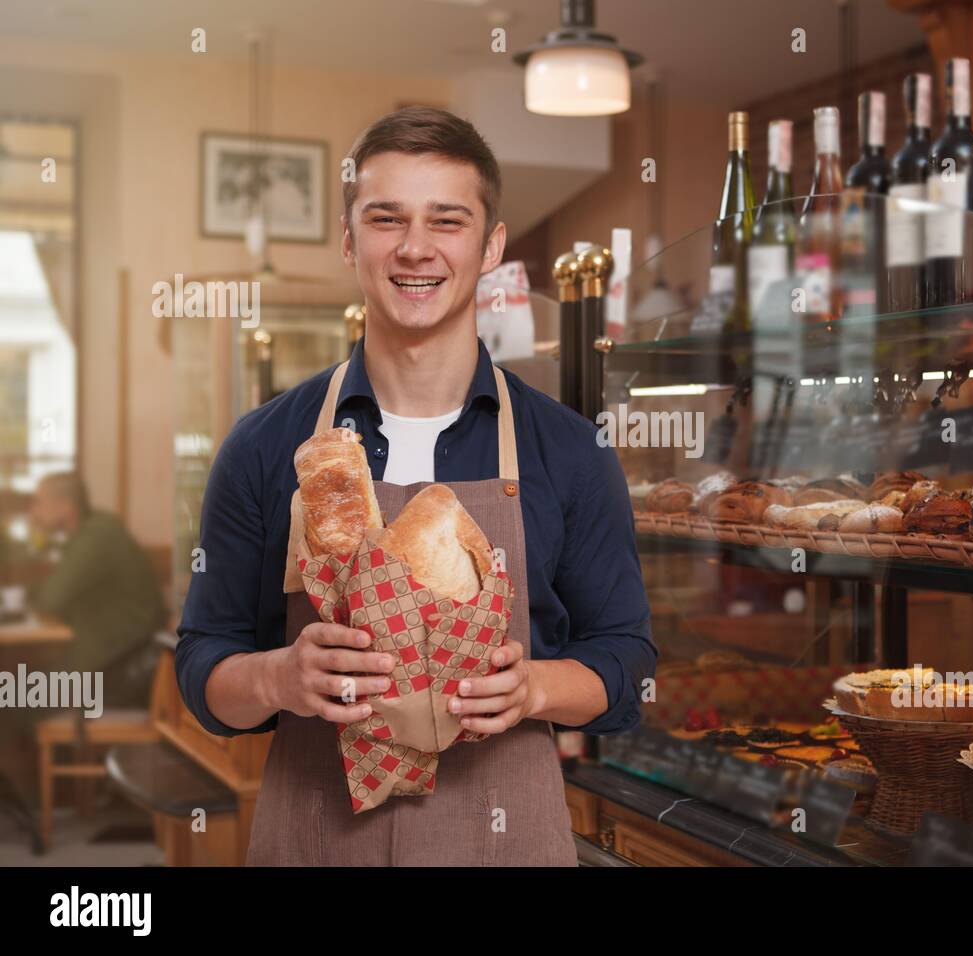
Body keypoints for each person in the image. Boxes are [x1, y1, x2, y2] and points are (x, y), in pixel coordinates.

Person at [175, 106, 656, 866]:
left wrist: (533, 689)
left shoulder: (567, 451)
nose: (415, 248)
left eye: (448, 220)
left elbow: (625, 662)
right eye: (386, 217)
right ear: (349, 239)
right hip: (315, 838)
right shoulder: (265, 446)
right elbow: (203, 669)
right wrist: (280, 675)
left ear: (491, 245)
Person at [27, 472, 164, 705]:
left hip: (115, 672)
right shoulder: (96, 531)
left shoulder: (96, 537)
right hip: (113, 660)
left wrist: (35, 536)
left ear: (65, 507)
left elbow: (52, 599)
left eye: (40, 502)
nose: (35, 511)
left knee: (9, 698)